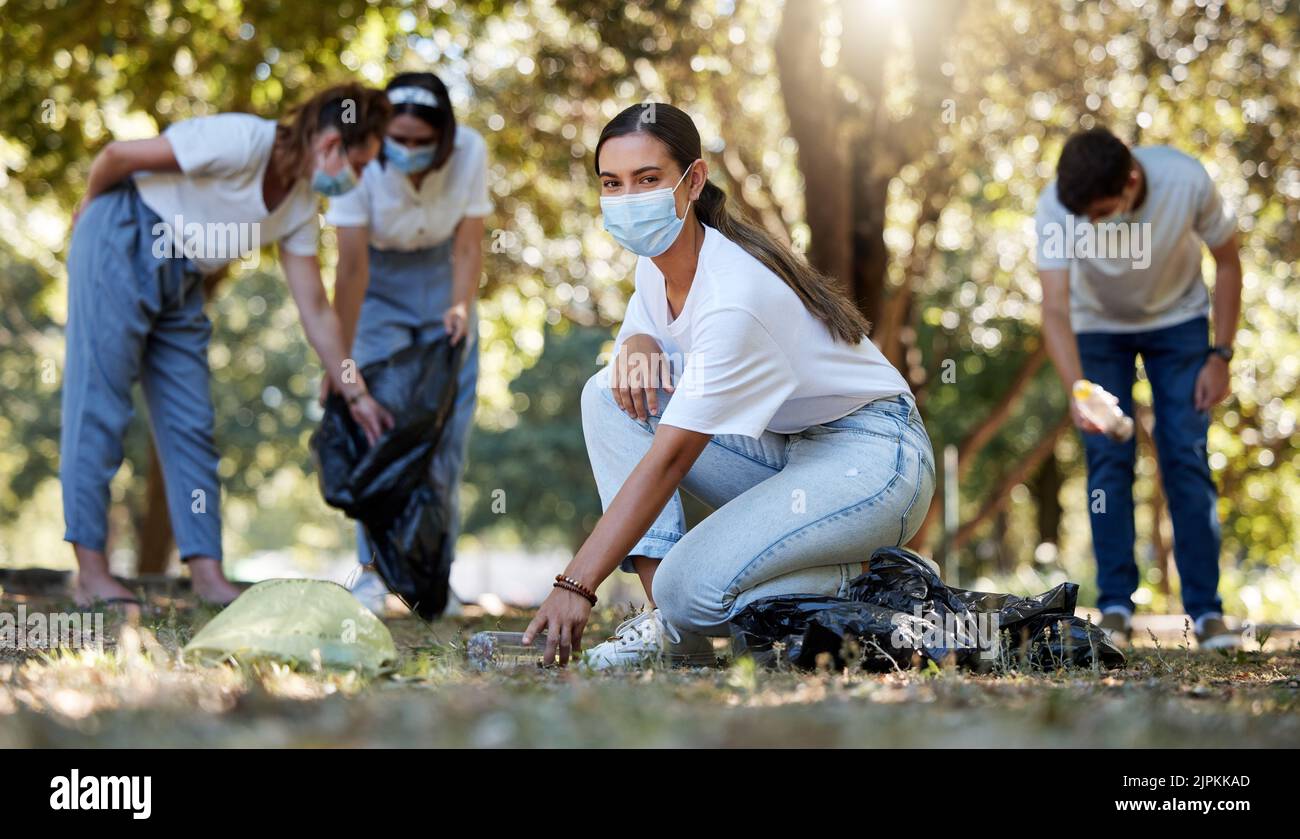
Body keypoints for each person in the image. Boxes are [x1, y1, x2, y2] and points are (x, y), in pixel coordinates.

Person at [522, 103, 935, 669]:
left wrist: (577, 584)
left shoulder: (735, 293)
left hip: (874, 459)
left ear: (693, 181)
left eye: (647, 180)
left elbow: (669, 460)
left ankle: (876, 576)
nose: (627, 199)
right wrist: (635, 340)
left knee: (692, 593)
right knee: (606, 394)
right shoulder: (657, 263)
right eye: (611, 184)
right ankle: (664, 622)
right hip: (788, 454)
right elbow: (645, 340)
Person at [62, 83, 395, 608]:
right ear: (331, 144)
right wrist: (88, 214)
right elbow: (117, 156)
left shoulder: (301, 207)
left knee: (190, 422)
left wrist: (356, 393)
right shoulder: (241, 139)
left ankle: (208, 576)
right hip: (122, 234)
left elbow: (315, 308)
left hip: (183, 278)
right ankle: (91, 574)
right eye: (361, 162)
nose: (357, 179)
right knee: (99, 405)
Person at [1035, 126, 1242, 649]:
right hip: (1097, 329)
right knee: (1107, 457)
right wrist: (1080, 390)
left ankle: (1207, 612)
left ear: (1130, 183)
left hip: (1180, 325)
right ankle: (1114, 609)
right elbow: (1055, 309)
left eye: (1101, 214)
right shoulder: (1058, 206)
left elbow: (1229, 259)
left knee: (1185, 454)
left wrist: (1221, 355)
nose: (1091, 225)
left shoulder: (1186, 179)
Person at [324, 72, 490, 612]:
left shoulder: (470, 152)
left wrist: (461, 305)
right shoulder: (359, 160)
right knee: (380, 432)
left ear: (443, 137)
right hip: (376, 289)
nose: (410, 150)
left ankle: (432, 576)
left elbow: (469, 246)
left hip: (445, 283)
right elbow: (349, 270)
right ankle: (372, 572)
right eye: (401, 139)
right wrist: (341, 359)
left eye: (423, 142)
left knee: (445, 440)